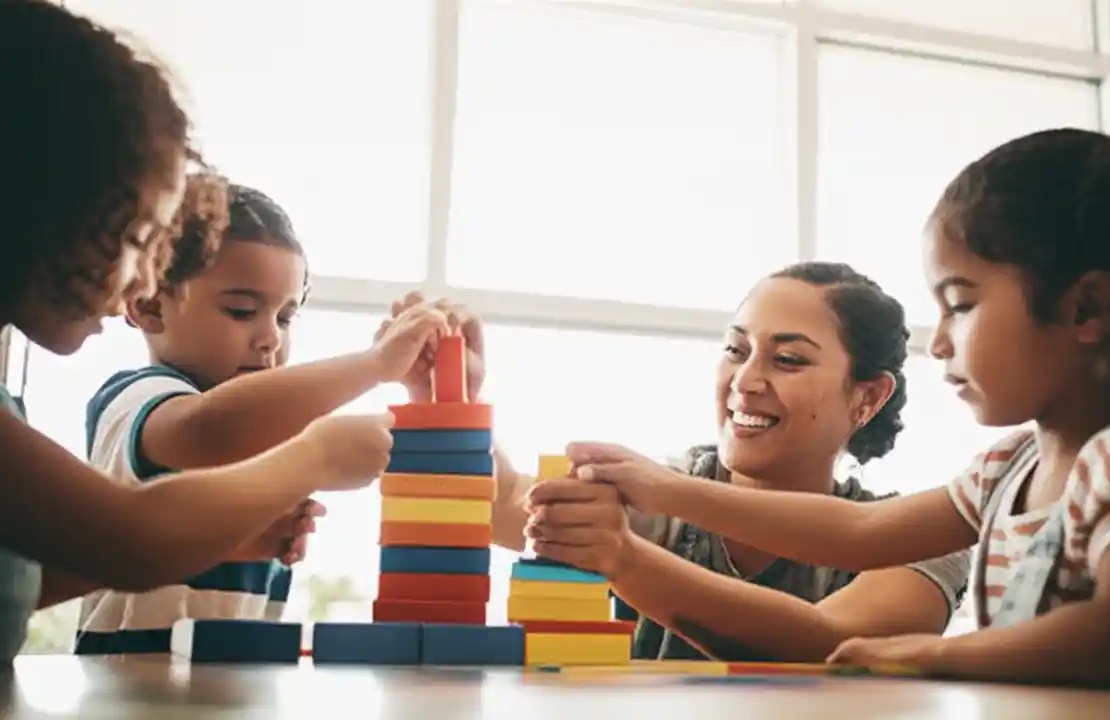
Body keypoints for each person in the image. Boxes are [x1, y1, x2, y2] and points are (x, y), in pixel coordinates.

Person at [539, 123, 1110, 697]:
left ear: (1085, 308)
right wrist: (665, 490)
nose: (941, 341)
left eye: (962, 304)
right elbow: (856, 533)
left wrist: (934, 656)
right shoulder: (1007, 469)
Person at [0, 0, 394, 663]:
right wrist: (319, 454)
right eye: (135, 239)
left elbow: (31, 579)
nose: (138, 281)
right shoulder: (144, 394)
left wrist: (210, 538)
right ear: (40, 207)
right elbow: (133, 536)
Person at [388, 262, 972, 663]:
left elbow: (833, 645)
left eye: (789, 359)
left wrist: (624, 557)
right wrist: (448, 398)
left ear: (867, 397)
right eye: (736, 350)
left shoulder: (926, 538)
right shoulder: (655, 494)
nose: (745, 381)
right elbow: (499, 506)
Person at [74, 180, 451, 654]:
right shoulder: (138, 397)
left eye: (285, 318)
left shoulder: (270, 439)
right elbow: (209, 431)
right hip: (125, 683)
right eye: (242, 311)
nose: (270, 337)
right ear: (150, 305)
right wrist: (373, 365)